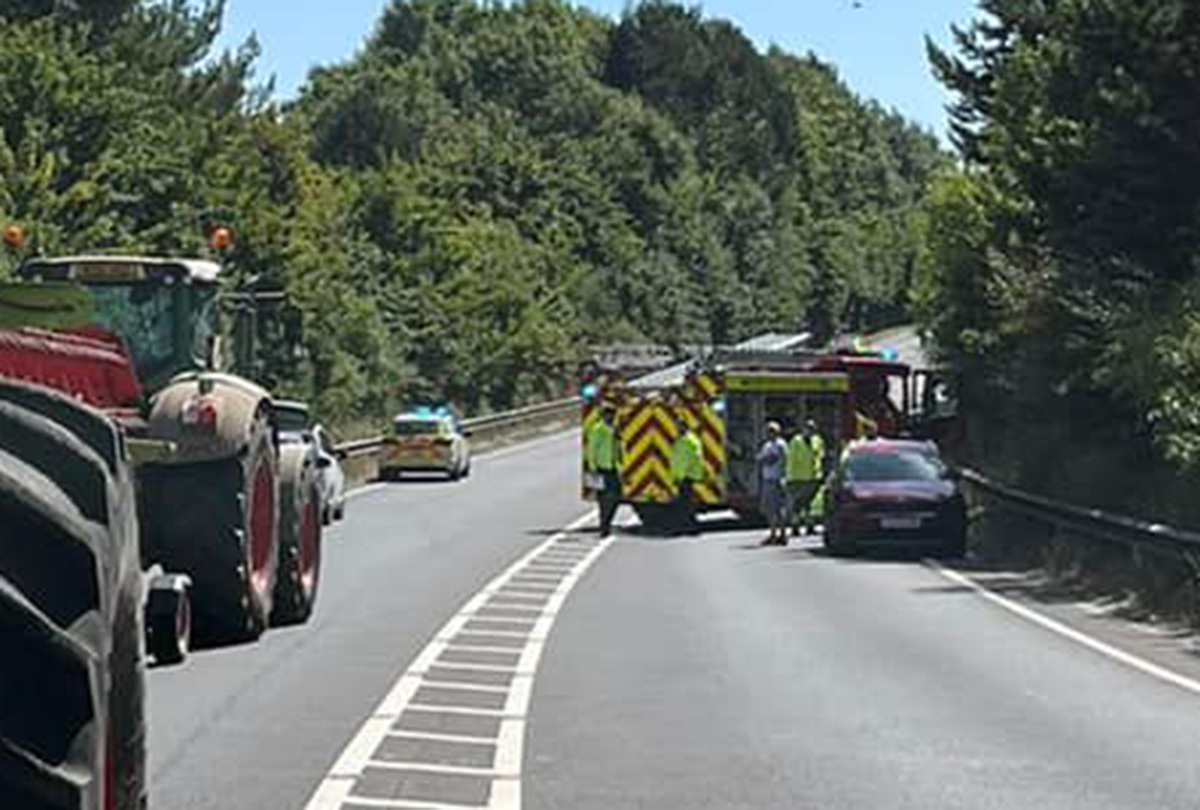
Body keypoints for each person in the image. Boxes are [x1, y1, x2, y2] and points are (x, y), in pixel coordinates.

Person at [585, 403, 622, 537]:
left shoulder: (613, 428)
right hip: (601, 469)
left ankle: (606, 523)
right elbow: (591, 449)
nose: (612, 417)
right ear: (605, 415)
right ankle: (604, 527)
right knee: (603, 500)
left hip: (613, 467)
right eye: (610, 414)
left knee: (616, 497)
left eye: (613, 414)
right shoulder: (598, 429)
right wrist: (592, 468)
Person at [786, 419, 826, 537]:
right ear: (803, 429)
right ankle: (795, 527)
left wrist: (821, 473)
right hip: (798, 478)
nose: (810, 431)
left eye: (812, 428)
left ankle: (810, 526)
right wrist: (789, 478)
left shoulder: (817, 440)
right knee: (797, 505)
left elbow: (821, 457)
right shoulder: (796, 441)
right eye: (808, 428)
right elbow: (790, 460)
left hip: (813, 477)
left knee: (809, 505)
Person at [669, 412, 705, 535]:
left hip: (686, 476)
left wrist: (678, 477)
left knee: (684, 504)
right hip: (690, 475)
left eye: (679, 426)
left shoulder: (685, 441)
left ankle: (687, 527)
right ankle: (690, 526)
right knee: (687, 503)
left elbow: (682, 461)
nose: (677, 428)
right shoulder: (691, 438)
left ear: (684, 426)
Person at [757, 421, 790, 546]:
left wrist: (763, 459)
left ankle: (779, 534)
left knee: (776, 509)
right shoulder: (767, 445)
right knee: (771, 509)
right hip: (768, 479)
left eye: (770, 431)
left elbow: (774, 459)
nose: (768, 433)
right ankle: (775, 534)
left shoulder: (780, 445)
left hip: (776, 479)